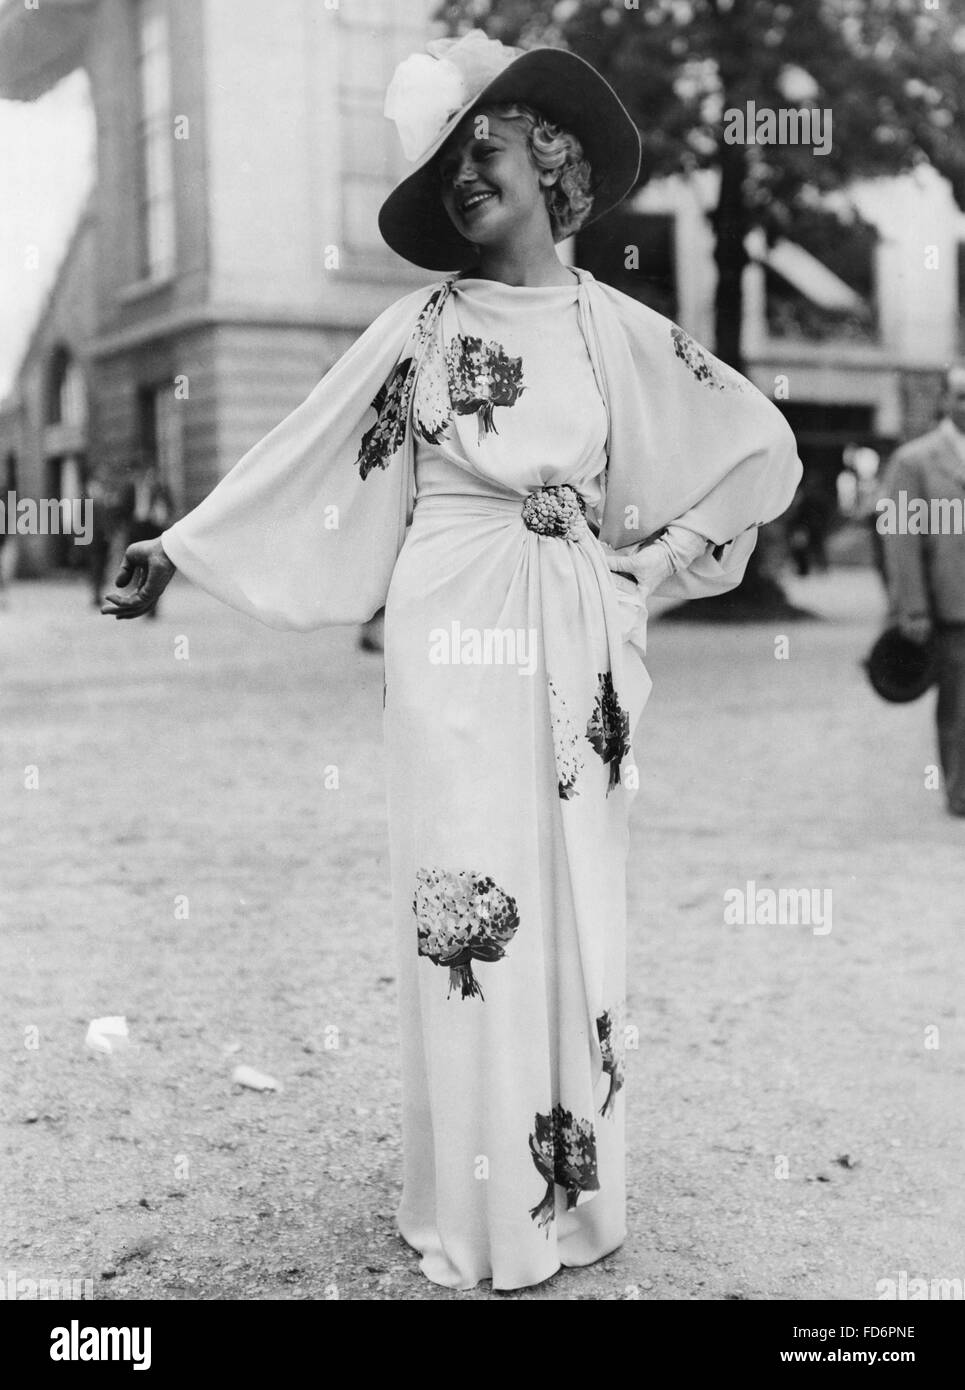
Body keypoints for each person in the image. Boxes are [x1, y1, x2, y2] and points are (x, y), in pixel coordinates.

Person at [102, 32, 801, 1291]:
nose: (464, 175)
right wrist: (178, 546)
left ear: (550, 158)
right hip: (448, 627)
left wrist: (654, 564)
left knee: (575, 899)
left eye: (482, 147)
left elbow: (756, 444)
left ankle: (566, 1195)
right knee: (462, 901)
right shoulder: (417, 327)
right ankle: (475, 1207)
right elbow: (301, 454)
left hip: (574, 639)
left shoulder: (612, 329)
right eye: (445, 165)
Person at [879, 366, 965, 817]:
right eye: (963, 397)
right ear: (946, 402)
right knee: (959, 702)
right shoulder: (915, 461)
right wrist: (911, 609)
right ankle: (960, 791)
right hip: (950, 606)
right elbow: (900, 541)